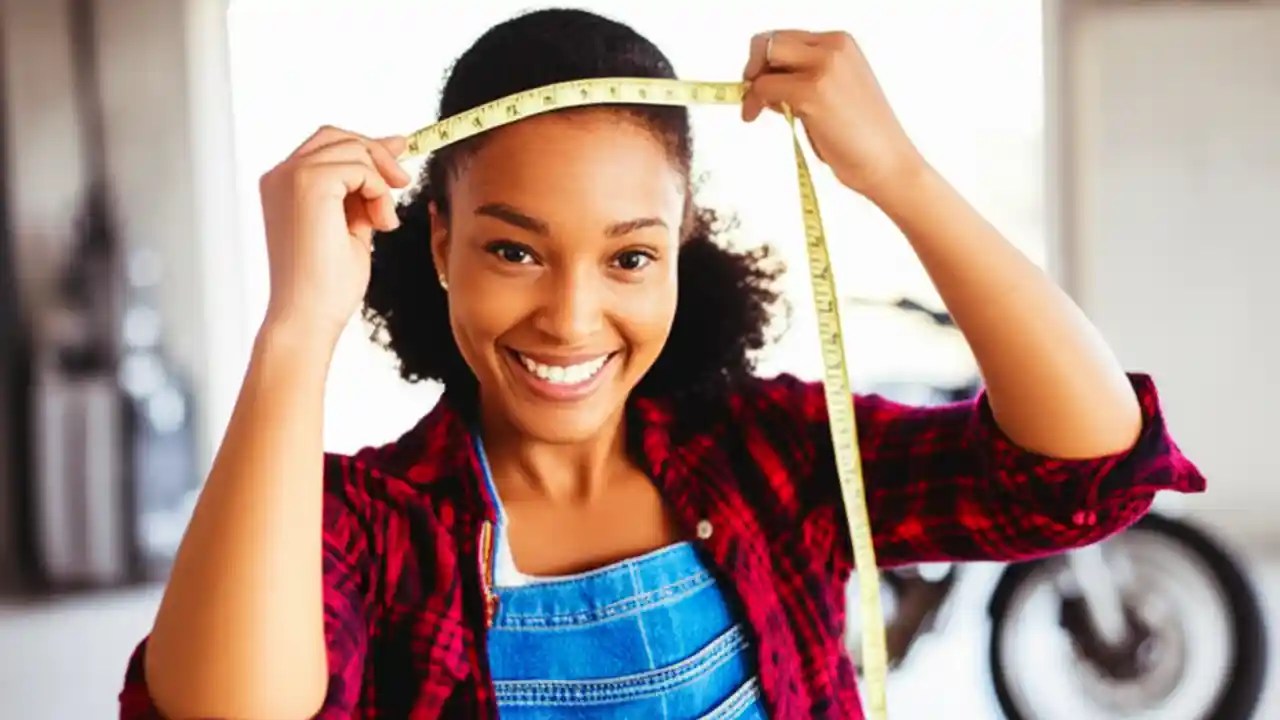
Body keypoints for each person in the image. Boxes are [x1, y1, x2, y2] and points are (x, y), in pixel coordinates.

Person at [118, 8, 1206, 720]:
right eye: (512, 249)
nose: (569, 315)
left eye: (628, 255)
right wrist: (295, 330)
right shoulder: (365, 524)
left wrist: (899, 175)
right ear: (434, 243)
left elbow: (1076, 471)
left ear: (679, 255)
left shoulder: (774, 459)